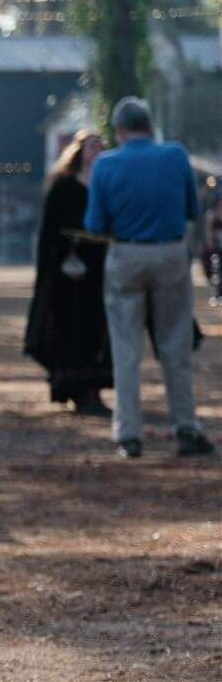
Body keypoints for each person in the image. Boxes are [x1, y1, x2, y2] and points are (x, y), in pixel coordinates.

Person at [84, 96, 212, 458]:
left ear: (120, 130)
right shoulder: (175, 155)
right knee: (175, 344)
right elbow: (191, 208)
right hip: (170, 252)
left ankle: (128, 435)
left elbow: (95, 224)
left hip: (126, 253)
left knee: (126, 347)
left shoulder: (106, 164)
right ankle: (186, 427)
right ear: (150, 125)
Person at [23, 130, 113, 416]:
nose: (96, 151)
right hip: (68, 273)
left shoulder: (107, 186)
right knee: (70, 329)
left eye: (101, 146)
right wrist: (62, 259)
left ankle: (94, 391)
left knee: (97, 329)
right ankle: (75, 389)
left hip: (100, 270)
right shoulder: (62, 186)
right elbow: (49, 231)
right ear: (79, 151)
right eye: (91, 146)